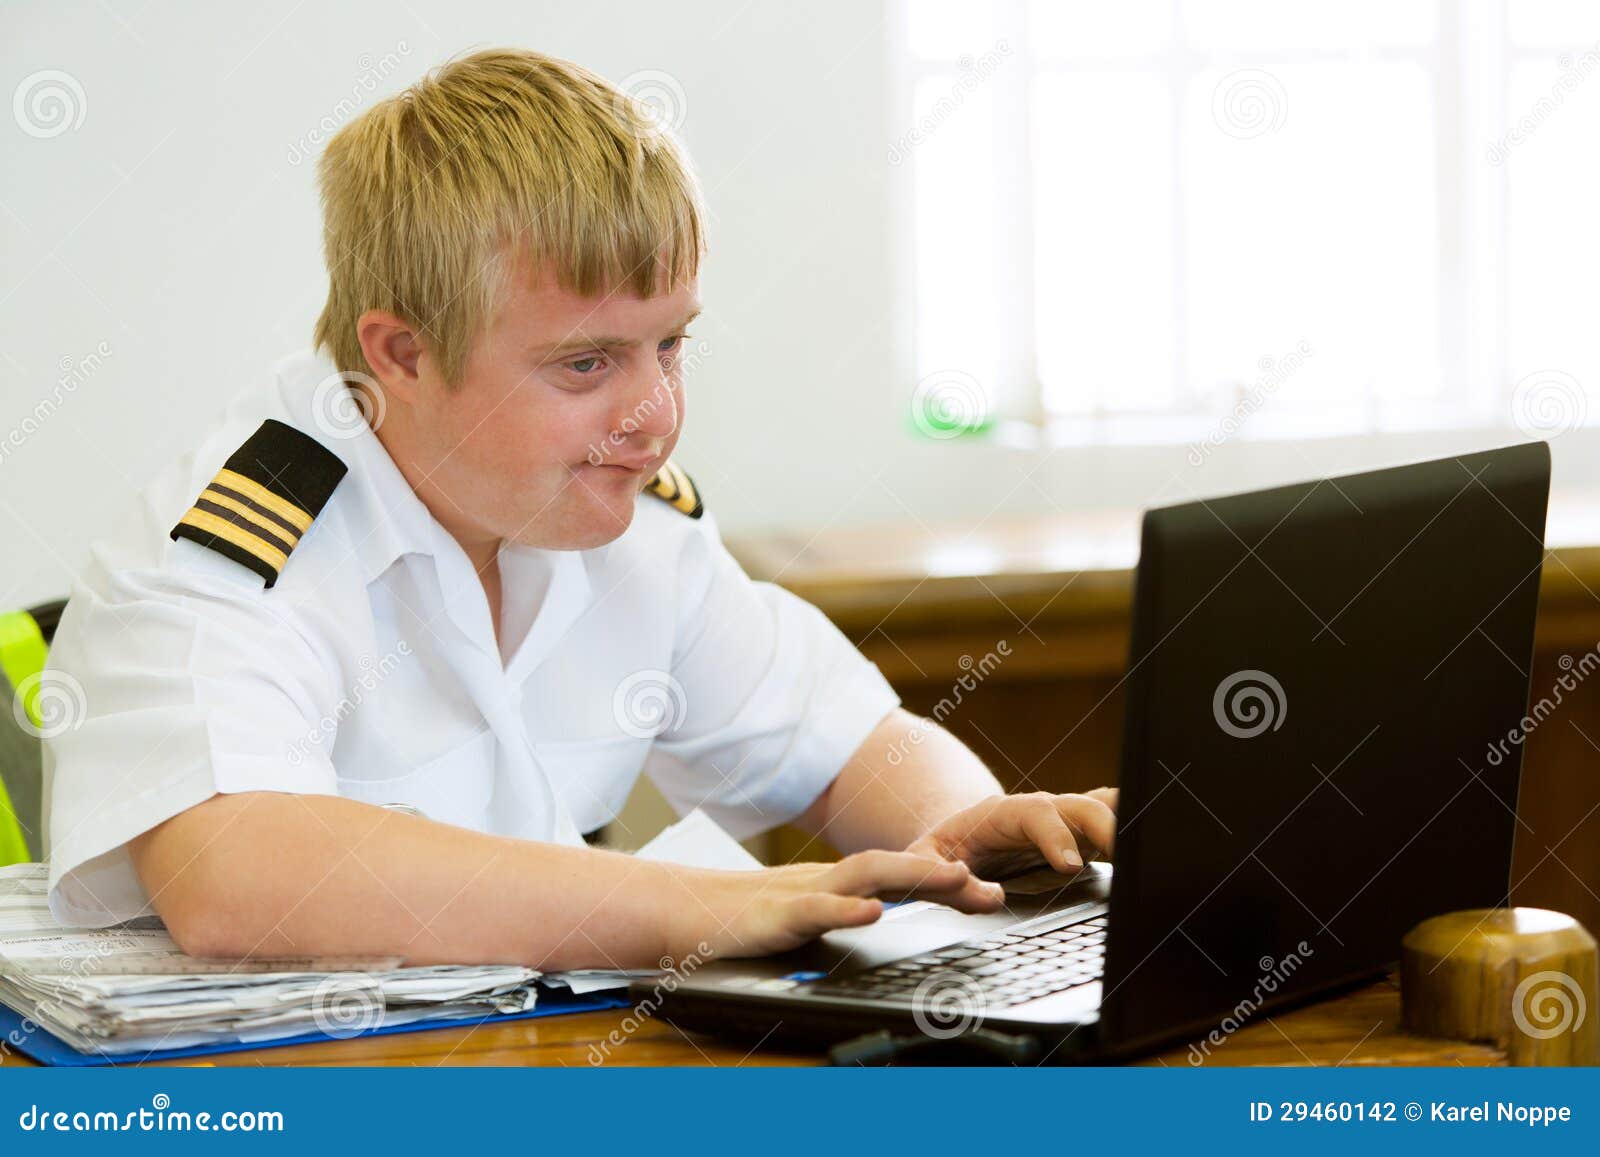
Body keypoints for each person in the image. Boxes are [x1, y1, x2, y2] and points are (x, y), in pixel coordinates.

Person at [42, 48, 1116, 970]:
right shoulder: (228, 545)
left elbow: (841, 743)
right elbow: (230, 872)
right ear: (402, 352)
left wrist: (954, 834)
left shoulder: (620, 519)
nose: (656, 416)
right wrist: (693, 907)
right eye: (586, 363)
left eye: (671, 344)